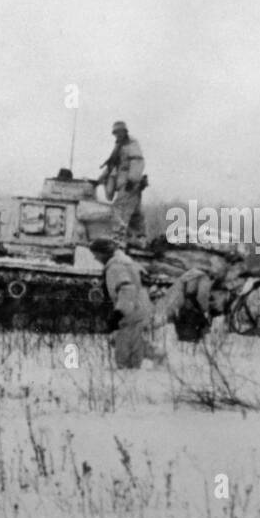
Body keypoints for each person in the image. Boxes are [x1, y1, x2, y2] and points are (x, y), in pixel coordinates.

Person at [90, 237, 159, 368]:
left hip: (130, 312)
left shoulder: (115, 267)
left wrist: (118, 313)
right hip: (138, 309)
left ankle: (158, 357)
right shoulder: (125, 263)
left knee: (124, 357)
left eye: (96, 255)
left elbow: (127, 289)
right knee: (134, 347)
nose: (96, 258)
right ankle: (159, 358)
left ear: (104, 253)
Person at [98, 121, 147, 237]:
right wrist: (99, 180)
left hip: (129, 184)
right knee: (135, 215)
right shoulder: (119, 146)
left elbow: (137, 161)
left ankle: (117, 240)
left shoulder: (131, 144)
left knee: (119, 211)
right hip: (125, 185)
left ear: (125, 132)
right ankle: (139, 240)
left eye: (120, 132)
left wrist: (132, 179)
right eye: (115, 133)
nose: (117, 135)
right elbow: (112, 166)